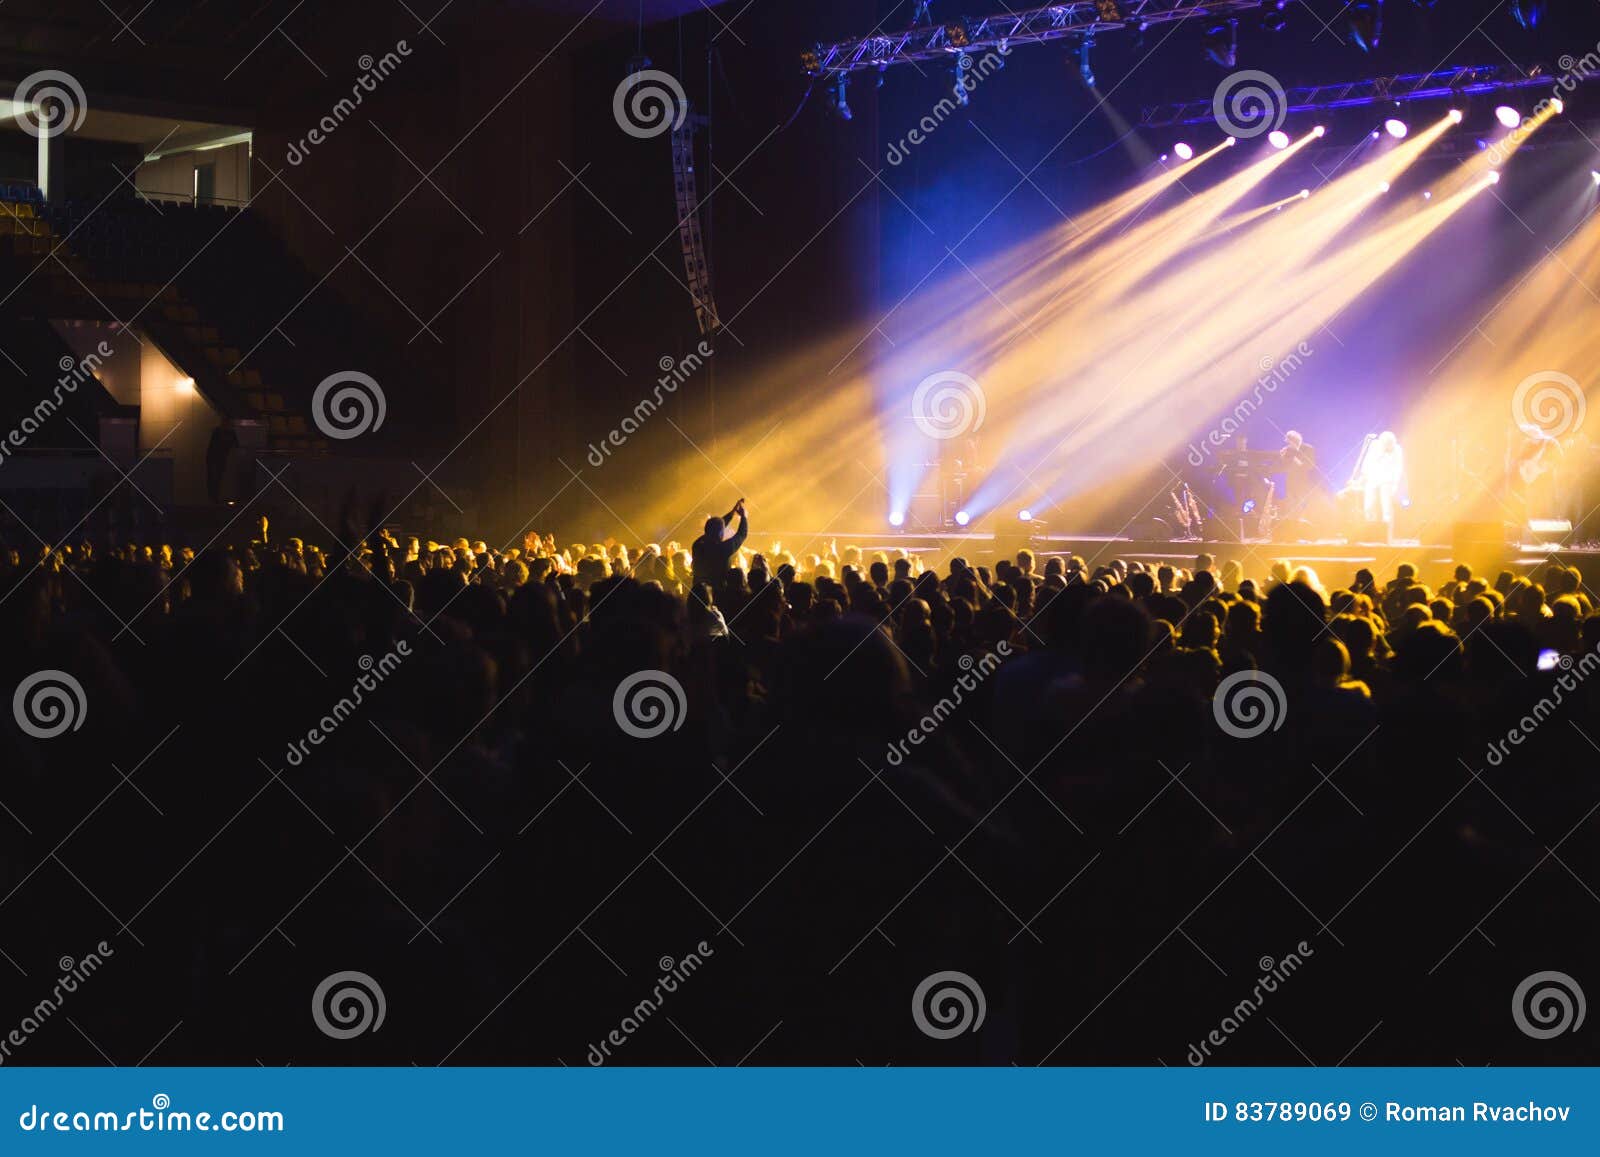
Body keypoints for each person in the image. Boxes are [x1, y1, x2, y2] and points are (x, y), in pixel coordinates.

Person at [690, 497, 748, 589]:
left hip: (698, 590)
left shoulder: (697, 545)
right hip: (718, 593)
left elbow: (714, 527)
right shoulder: (723, 549)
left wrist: (732, 513)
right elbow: (741, 535)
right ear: (721, 533)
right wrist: (744, 517)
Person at [1359, 430, 1404, 535]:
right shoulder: (1375, 446)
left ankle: (1387, 533)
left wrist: (1395, 484)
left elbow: (1398, 468)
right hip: (1373, 477)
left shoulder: (1397, 449)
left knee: (1386, 507)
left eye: (1391, 444)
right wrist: (1363, 476)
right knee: (1369, 505)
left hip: (1388, 479)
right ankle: (1370, 531)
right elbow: (1367, 461)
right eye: (1387, 445)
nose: (1389, 447)